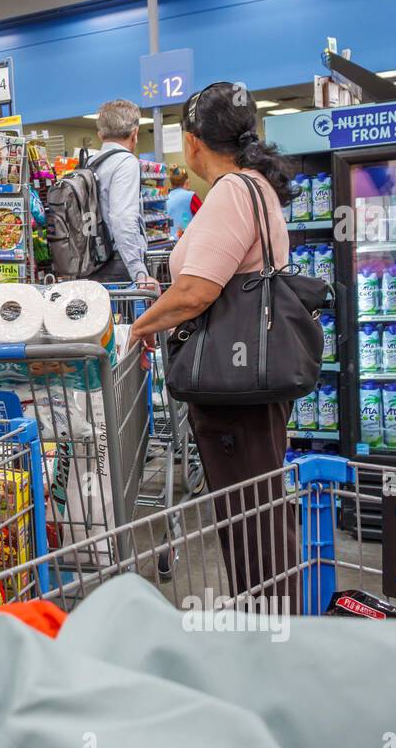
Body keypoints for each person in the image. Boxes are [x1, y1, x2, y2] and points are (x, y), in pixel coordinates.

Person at [129, 82, 299, 604]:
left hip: (232, 384)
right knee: (261, 510)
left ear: (193, 141)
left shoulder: (231, 191)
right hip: (255, 375)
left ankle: (267, 631)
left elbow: (195, 291)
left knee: (250, 521)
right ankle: (274, 620)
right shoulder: (257, 186)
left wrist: (140, 327)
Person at [86, 99, 155, 288]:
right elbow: (122, 218)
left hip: (92, 261)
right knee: (129, 317)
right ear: (135, 133)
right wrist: (138, 272)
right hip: (118, 263)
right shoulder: (126, 162)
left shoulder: (90, 163)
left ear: (101, 135)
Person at [165, 165, 201, 238]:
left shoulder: (166, 198)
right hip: (188, 239)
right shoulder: (191, 196)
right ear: (187, 182)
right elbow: (204, 217)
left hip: (171, 240)